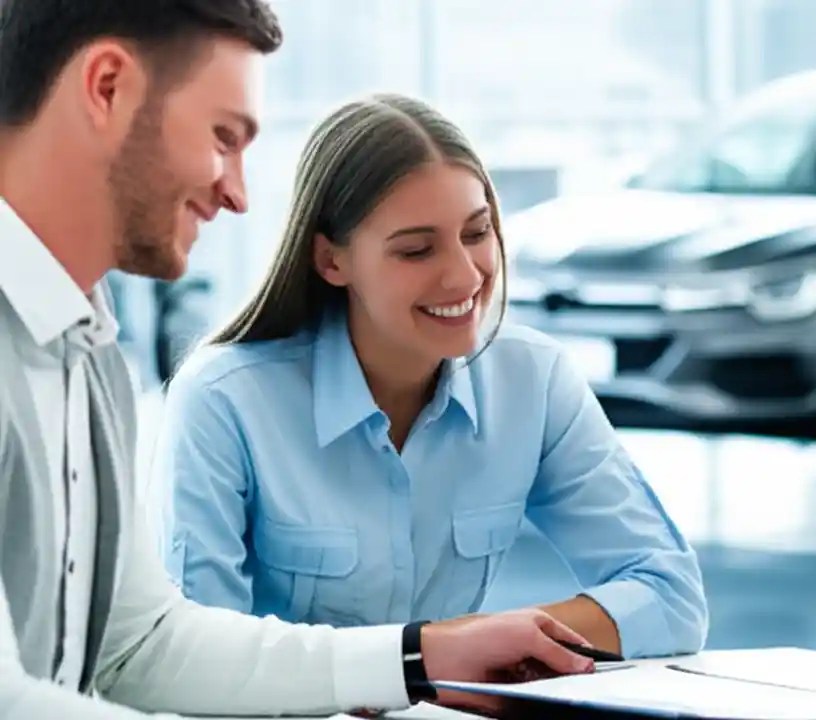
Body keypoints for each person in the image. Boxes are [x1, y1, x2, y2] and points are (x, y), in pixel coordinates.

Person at [0, 2, 596, 717]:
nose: (237, 193)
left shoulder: (87, 352)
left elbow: (142, 644)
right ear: (107, 87)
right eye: (224, 138)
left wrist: (420, 656)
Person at [149, 93, 708, 659]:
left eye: (476, 232)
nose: (464, 276)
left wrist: (489, 644)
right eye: (416, 251)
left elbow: (670, 596)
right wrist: (427, 654)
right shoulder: (224, 401)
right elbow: (198, 655)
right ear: (331, 261)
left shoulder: (532, 380)